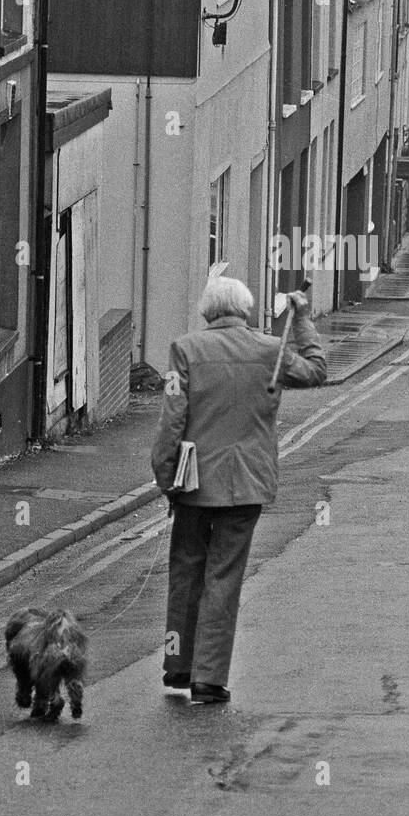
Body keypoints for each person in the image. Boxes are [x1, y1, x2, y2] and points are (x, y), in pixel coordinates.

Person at [150, 276, 326, 704]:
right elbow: (317, 371)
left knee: (185, 575)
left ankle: (179, 665)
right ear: (244, 309)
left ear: (207, 311)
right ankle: (208, 679)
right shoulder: (270, 350)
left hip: (193, 483)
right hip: (247, 484)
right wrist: (301, 318)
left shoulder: (184, 350)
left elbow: (172, 419)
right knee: (223, 579)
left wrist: (166, 478)